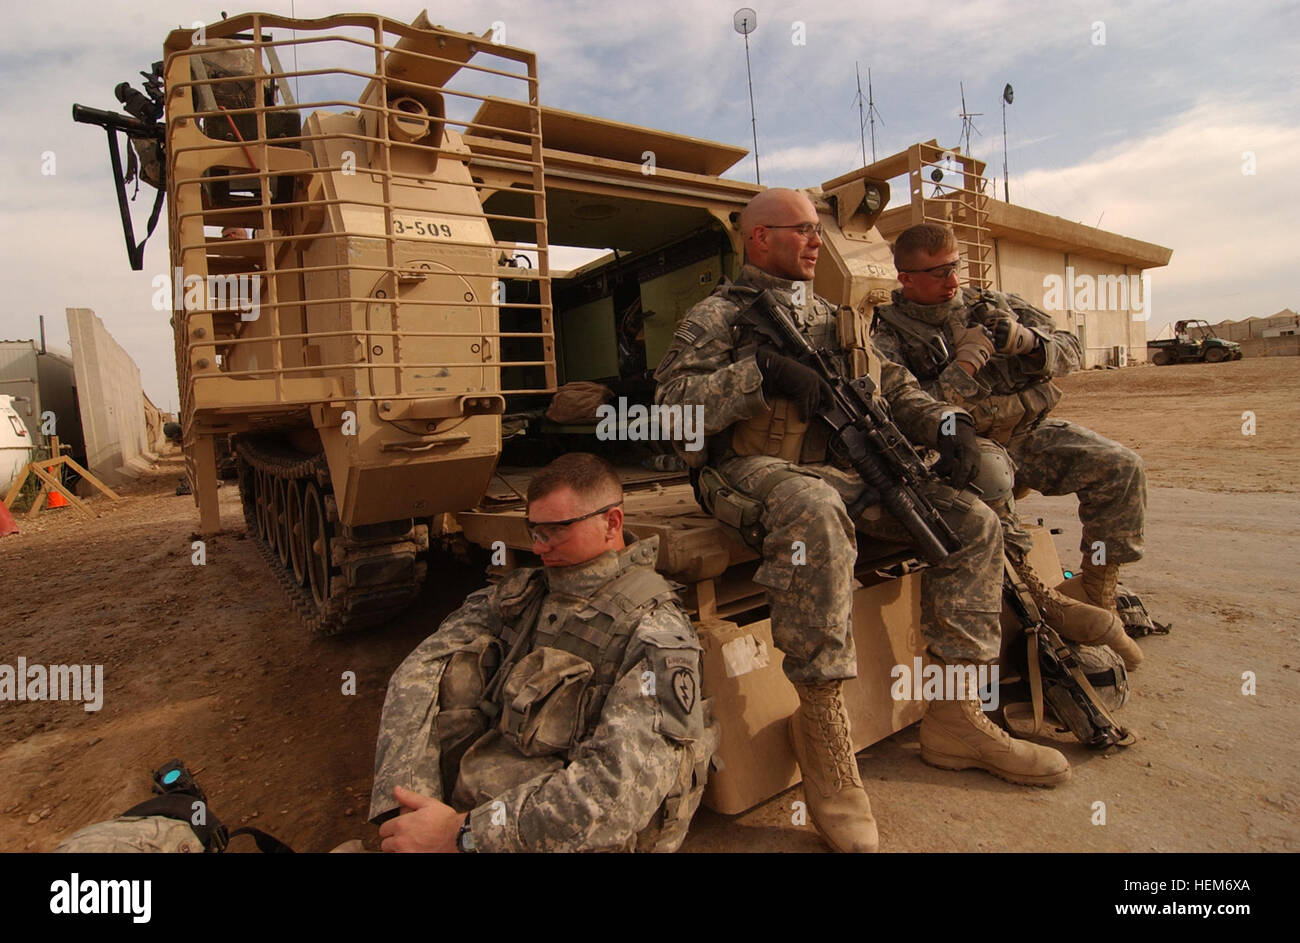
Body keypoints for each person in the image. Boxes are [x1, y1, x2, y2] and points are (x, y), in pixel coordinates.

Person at [652, 189, 1070, 854]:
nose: (816, 241)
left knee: (967, 521)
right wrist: (758, 372)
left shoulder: (836, 317)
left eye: (817, 229)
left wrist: (945, 421)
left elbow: (893, 388)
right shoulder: (717, 316)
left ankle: (957, 717)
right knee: (813, 510)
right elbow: (669, 411)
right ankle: (823, 737)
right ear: (758, 240)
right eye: (799, 231)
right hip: (749, 469)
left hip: (841, 467)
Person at [368, 453, 718, 852]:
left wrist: (462, 835)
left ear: (612, 522)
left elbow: (615, 798)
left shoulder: (655, 632)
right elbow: (419, 672)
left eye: (556, 530)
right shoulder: (522, 597)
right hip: (479, 814)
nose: (539, 547)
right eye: (533, 530)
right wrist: (414, 804)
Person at [871, 223, 1144, 669]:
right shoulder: (887, 333)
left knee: (1120, 465)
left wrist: (1031, 344)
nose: (952, 281)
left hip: (1026, 434)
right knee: (990, 477)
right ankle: (1034, 603)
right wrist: (962, 366)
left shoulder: (990, 305)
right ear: (906, 278)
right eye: (937, 273)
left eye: (954, 267)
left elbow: (1070, 349)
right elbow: (906, 408)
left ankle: (1096, 589)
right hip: (962, 448)